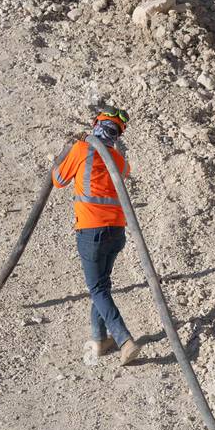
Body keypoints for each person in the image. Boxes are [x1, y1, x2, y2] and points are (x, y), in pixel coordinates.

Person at [52, 107, 140, 365]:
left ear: (96, 125)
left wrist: (62, 156)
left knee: (97, 288)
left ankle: (124, 339)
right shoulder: (119, 161)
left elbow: (58, 180)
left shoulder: (81, 150)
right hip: (117, 232)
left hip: (92, 231)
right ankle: (100, 339)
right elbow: (121, 174)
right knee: (102, 285)